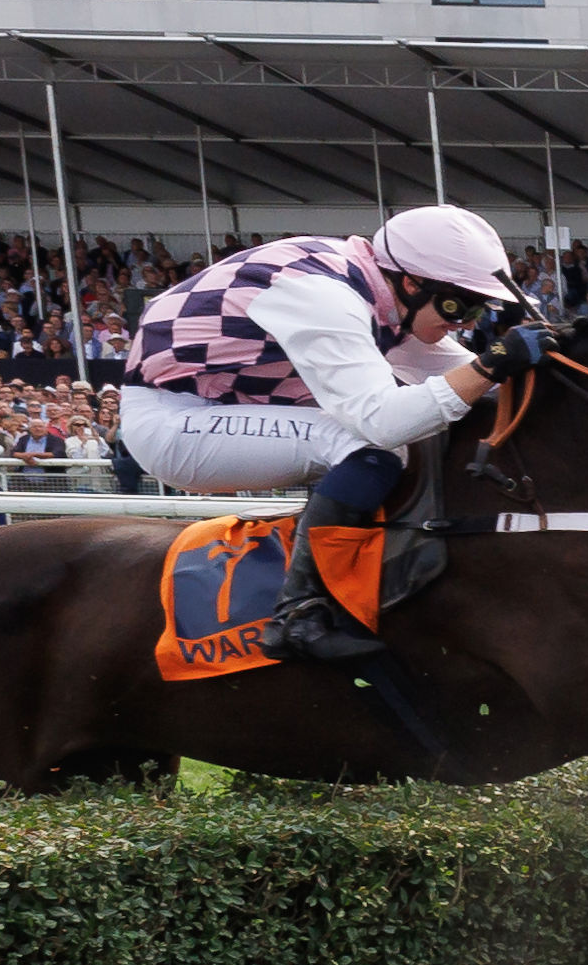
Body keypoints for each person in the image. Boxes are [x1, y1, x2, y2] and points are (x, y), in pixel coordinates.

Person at [116, 205, 544, 660]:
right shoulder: (325, 296)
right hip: (174, 422)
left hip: (217, 404)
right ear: (411, 283)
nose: (466, 323)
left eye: (480, 307)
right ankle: (297, 613)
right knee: (373, 445)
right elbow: (386, 420)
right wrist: (493, 361)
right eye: (459, 305)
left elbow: (471, 380)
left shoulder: (374, 289)